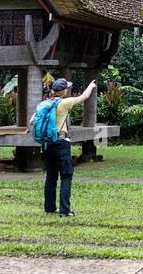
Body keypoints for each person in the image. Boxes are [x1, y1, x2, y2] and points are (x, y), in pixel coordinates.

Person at [32, 77, 96, 217]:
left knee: (51, 176)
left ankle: (49, 208)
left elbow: (32, 120)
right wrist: (90, 86)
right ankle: (65, 210)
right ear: (64, 91)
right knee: (66, 176)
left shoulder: (45, 104)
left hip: (47, 144)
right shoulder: (65, 103)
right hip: (61, 142)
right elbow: (83, 97)